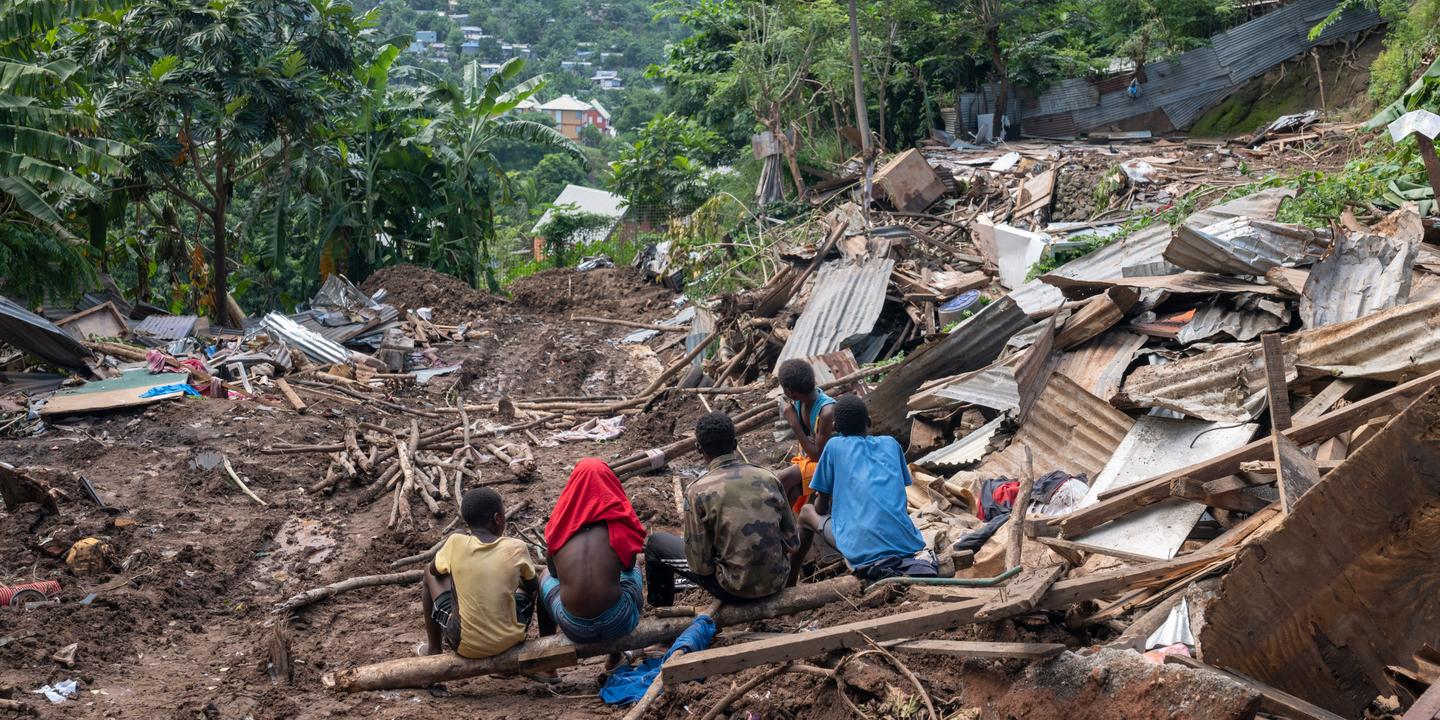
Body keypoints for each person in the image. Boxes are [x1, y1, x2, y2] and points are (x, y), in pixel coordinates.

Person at [645, 412, 799, 607]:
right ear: (735, 444)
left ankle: (661, 614)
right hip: (777, 581)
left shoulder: (697, 491)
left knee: (655, 544)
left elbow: (700, 566)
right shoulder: (768, 478)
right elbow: (793, 542)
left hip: (735, 590)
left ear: (699, 448)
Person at [791, 395, 937, 583]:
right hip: (906, 543)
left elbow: (820, 508)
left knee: (805, 512)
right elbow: (893, 491)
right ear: (869, 422)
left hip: (861, 550)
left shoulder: (834, 446)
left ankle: (790, 583)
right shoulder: (891, 444)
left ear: (835, 428)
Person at [420, 487, 540, 660]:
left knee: (428, 573)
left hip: (465, 645)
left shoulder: (456, 542)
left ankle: (433, 649)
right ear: (498, 519)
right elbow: (533, 586)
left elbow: (433, 570)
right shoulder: (516, 547)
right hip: (511, 640)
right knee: (528, 585)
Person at [539, 458, 647, 648]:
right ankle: (616, 654)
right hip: (619, 622)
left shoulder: (561, 527)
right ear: (608, 486)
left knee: (544, 576)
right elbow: (628, 566)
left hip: (574, 627)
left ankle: (546, 660)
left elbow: (554, 572)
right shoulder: (617, 526)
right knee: (634, 566)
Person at [774, 359, 836, 512]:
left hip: (833, 464)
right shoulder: (800, 402)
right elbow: (812, 448)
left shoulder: (826, 411)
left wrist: (794, 424)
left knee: (782, 479)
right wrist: (812, 444)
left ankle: (776, 525)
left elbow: (817, 456)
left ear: (789, 391)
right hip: (816, 458)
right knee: (793, 491)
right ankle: (786, 530)